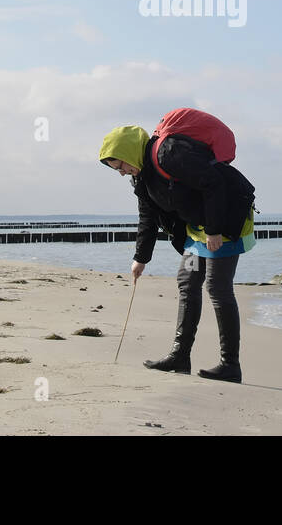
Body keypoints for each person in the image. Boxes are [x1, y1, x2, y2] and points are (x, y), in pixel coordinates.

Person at [98, 123, 256, 382]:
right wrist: (141, 258)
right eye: (117, 170)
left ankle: (230, 365)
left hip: (226, 220)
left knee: (217, 287)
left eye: (121, 165)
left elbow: (214, 183)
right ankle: (180, 356)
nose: (122, 172)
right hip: (199, 231)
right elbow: (147, 217)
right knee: (188, 280)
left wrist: (215, 230)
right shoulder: (142, 176)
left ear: (129, 152)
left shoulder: (169, 154)